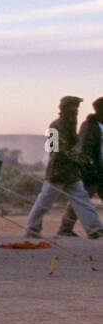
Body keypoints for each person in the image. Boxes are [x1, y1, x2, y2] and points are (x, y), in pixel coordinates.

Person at [25, 95, 103, 239]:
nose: (76, 109)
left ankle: (95, 230)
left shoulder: (71, 124)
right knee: (45, 201)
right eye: (73, 106)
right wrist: (79, 158)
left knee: (82, 200)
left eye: (77, 107)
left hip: (72, 172)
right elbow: (56, 147)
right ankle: (32, 229)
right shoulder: (55, 125)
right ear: (64, 108)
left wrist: (79, 159)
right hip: (58, 172)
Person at [59, 96, 103, 236]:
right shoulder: (89, 126)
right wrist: (88, 165)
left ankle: (68, 229)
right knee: (81, 200)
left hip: (100, 168)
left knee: (81, 199)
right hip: (91, 169)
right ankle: (65, 229)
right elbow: (84, 148)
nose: (75, 109)